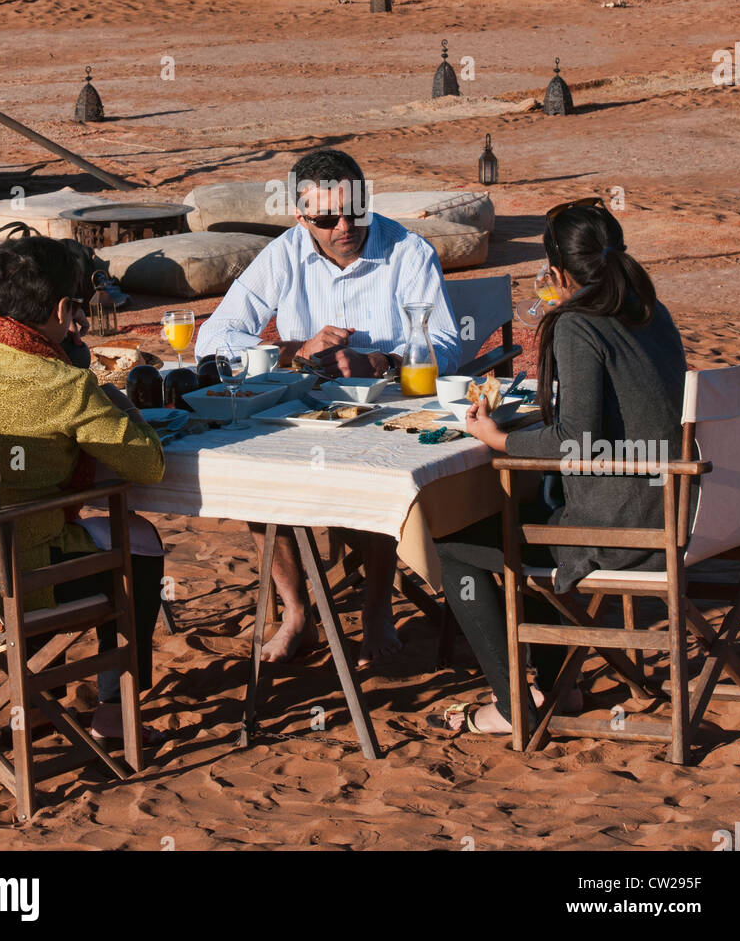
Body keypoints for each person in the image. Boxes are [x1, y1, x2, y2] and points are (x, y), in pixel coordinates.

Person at [195, 146, 461, 665]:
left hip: (388, 414)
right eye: (325, 217)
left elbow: (447, 345)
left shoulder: (408, 251)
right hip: (301, 413)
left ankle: (377, 609)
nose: (344, 225)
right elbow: (214, 337)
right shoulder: (286, 252)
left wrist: (381, 360)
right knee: (253, 477)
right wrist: (296, 351)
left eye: (353, 211)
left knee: (371, 472)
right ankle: (297, 612)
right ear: (300, 217)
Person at [434, 198, 689, 736]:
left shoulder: (578, 323)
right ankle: (560, 687)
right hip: (675, 513)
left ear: (555, 269)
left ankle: (513, 704)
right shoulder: (648, 309)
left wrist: (496, 436)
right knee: (535, 514)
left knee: (455, 547)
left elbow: (575, 440)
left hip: (620, 529)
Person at [0, 236, 167, 743]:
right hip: (16, 587)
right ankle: (113, 709)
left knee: (22, 521)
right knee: (139, 538)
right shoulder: (66, 384)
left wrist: (5, 277)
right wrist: (113, 396)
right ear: (64, 308)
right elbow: (147, 464)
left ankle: (34, 703)